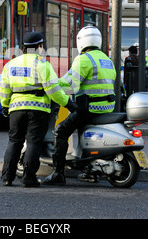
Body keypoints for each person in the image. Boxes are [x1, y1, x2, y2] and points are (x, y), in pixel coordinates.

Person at [0, 32, 78, 187]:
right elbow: (53, 90)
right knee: (34, 142)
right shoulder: (42, 64)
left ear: (23, 48)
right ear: (40, 47)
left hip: (16, 109)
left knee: (14, 141)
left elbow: (4, 88)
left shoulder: (10, 64)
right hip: (38, 110)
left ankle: (7, 177)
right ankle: (28, 178)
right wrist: (69, 104)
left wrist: (5, 105)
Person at [41, 26, 116, 186]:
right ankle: (90, 171)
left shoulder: (84, 59)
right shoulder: (107, 60)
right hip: (106, 108)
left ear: (81, 42)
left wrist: (51, 84)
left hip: (89, 108)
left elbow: (69, 84)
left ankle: (58, 174)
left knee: (61, 131)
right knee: (83, 133)